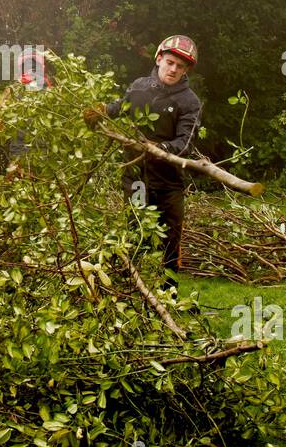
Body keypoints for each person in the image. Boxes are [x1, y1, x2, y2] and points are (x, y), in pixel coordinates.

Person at [85, 35, 201, 286]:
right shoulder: (139, 87)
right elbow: (119, 107)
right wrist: (100, 111)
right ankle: (134, 293)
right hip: (136, 179)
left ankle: (168, 298)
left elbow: (186, 143)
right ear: (159, 59)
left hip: (169, 184)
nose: (173, 69)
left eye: (180, 67)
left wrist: (161, 148)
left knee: (170, 241)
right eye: (170, 62)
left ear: (186, 70)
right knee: (137, 236)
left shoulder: (189, 101)